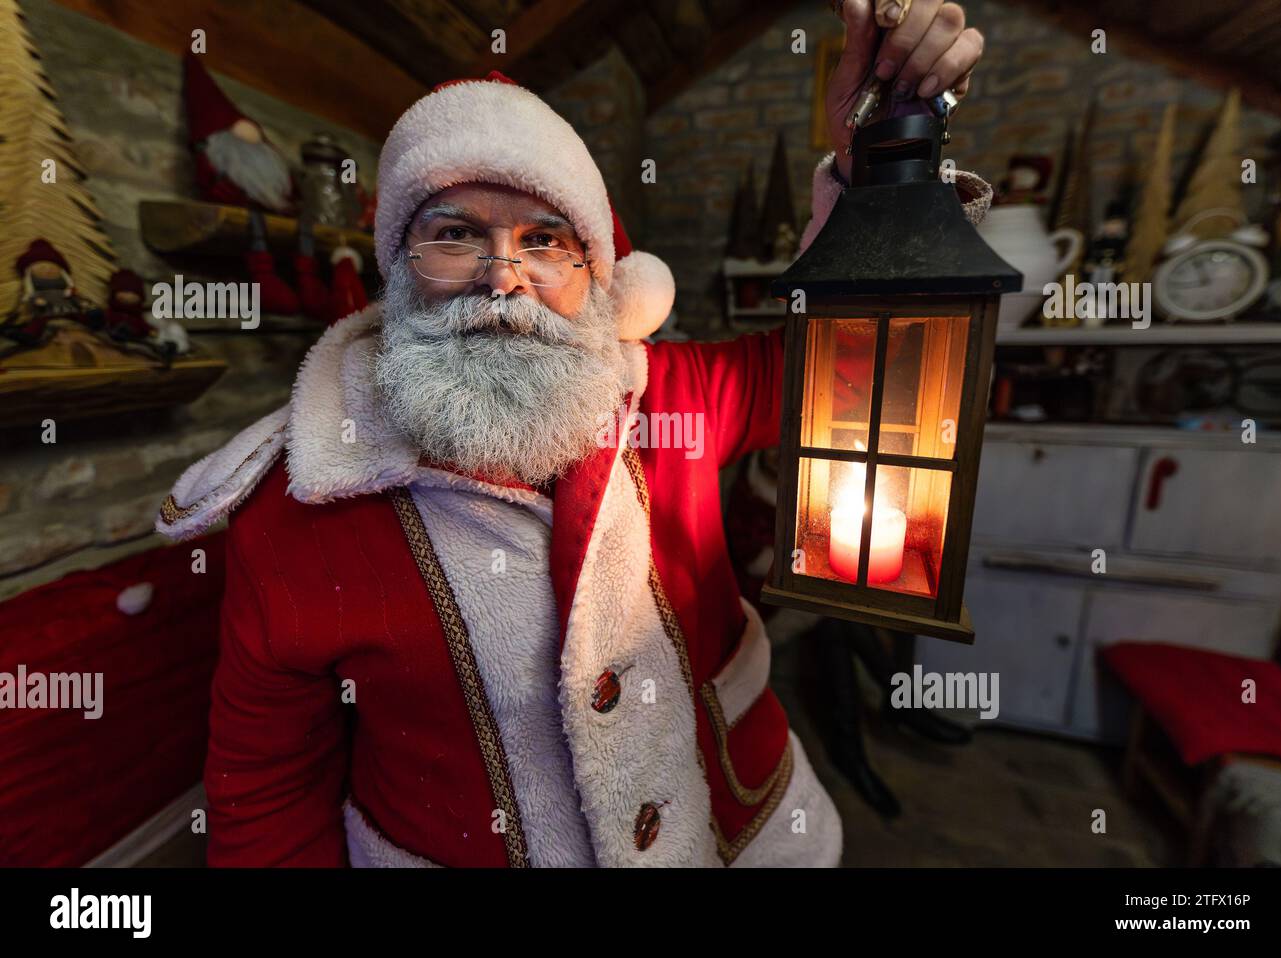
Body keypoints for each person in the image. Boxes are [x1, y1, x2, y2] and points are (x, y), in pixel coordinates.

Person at [158, 0, 988, 867]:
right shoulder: (295, 506)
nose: (503, 279)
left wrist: (883, 173)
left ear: (597, 277)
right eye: (455, 235)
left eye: (544, 240)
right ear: (397, 269)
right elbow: (265, 794)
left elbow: (858, 359)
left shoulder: (676, 397)